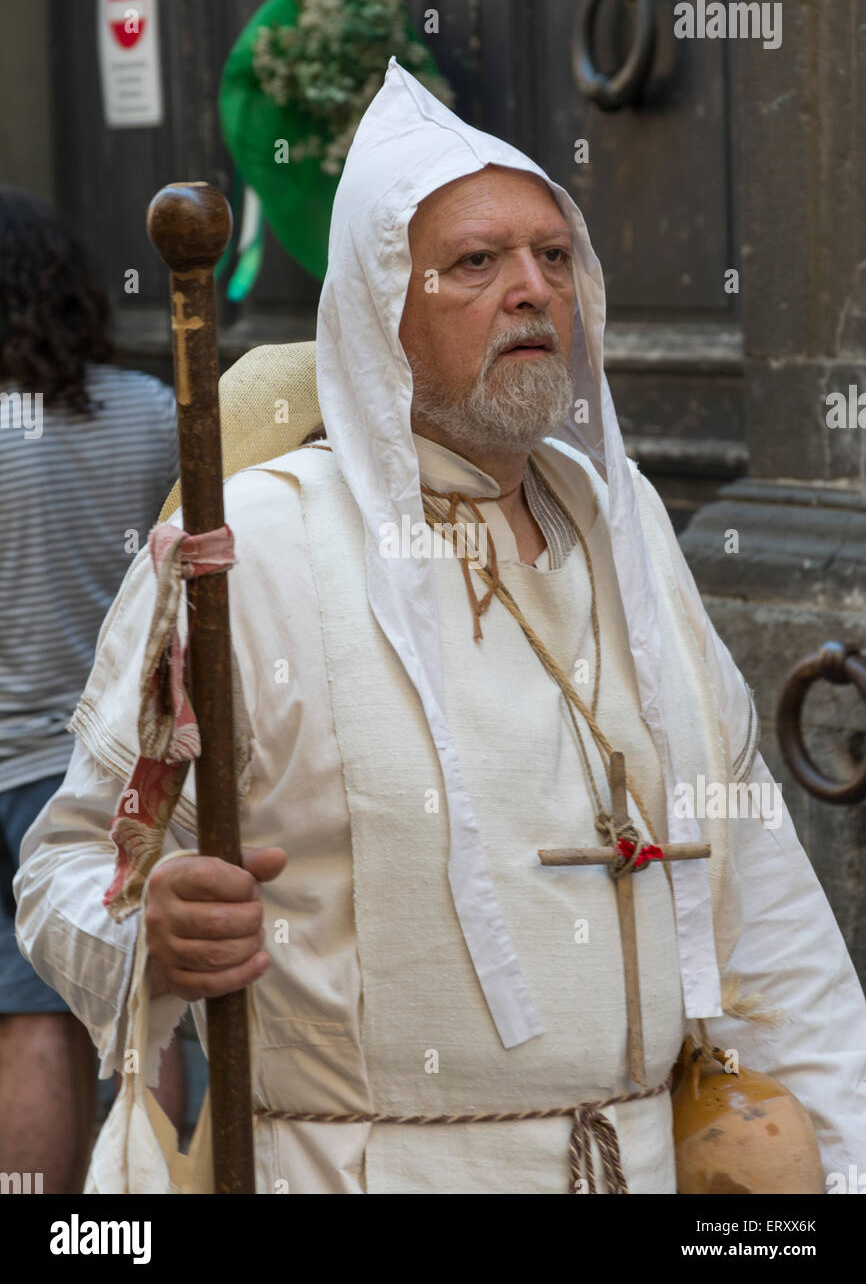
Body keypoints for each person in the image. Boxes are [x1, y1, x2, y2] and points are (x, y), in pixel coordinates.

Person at [14, 62, 866, 1193]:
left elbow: (759, 894)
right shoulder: (252, 548)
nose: (530, 289)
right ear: (381, 312)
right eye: (475, 262)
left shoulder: (625, 523)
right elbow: (70, 867)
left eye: (551, 257)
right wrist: (151, 938)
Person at [0, 189, 184, 1192]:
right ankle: (150, 1215)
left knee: (27, 1017)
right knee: (136, 1000)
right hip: (110, 766)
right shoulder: (150, 414)